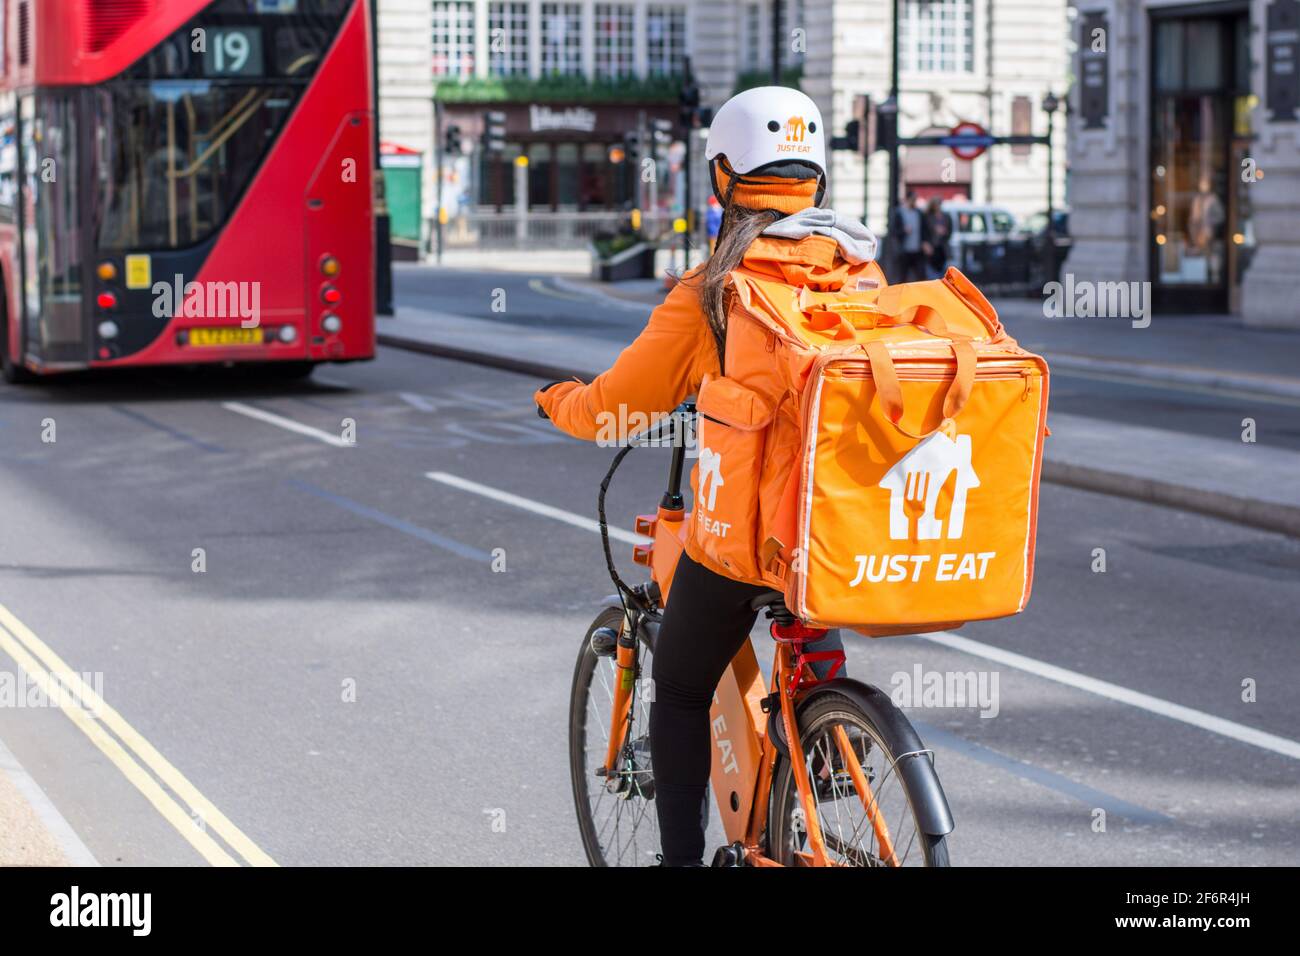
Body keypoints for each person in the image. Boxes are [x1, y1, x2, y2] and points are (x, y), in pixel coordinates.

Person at [535, 86, 878, 867]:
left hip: (747, 540)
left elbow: (614, 408)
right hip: (835, 530)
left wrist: (559, 403)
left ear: (723, 177)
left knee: (683, 689)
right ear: (816, 179)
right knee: (804, 612)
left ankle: (682, 863)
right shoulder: (861, 274)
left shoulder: (712, 291)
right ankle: (822, 741)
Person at [892, 191, 931, 282]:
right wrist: (903, 231)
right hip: (904, 251)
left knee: (921, 277)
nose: (914, 202)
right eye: (913, 199)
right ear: (907, 199)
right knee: (902, 277)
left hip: (917, 251)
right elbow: (894, 231)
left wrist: (925, 242)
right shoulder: (899, 213)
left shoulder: (919, 213)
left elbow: (924, 230)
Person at [924, 196, 953, 279]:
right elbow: (925, 231)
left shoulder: (946, 216)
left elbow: (950, 231)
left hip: (943, 249)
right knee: (932, 274)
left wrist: (944, 232)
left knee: (943, 274)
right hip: (931, 249)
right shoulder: (928, 217)